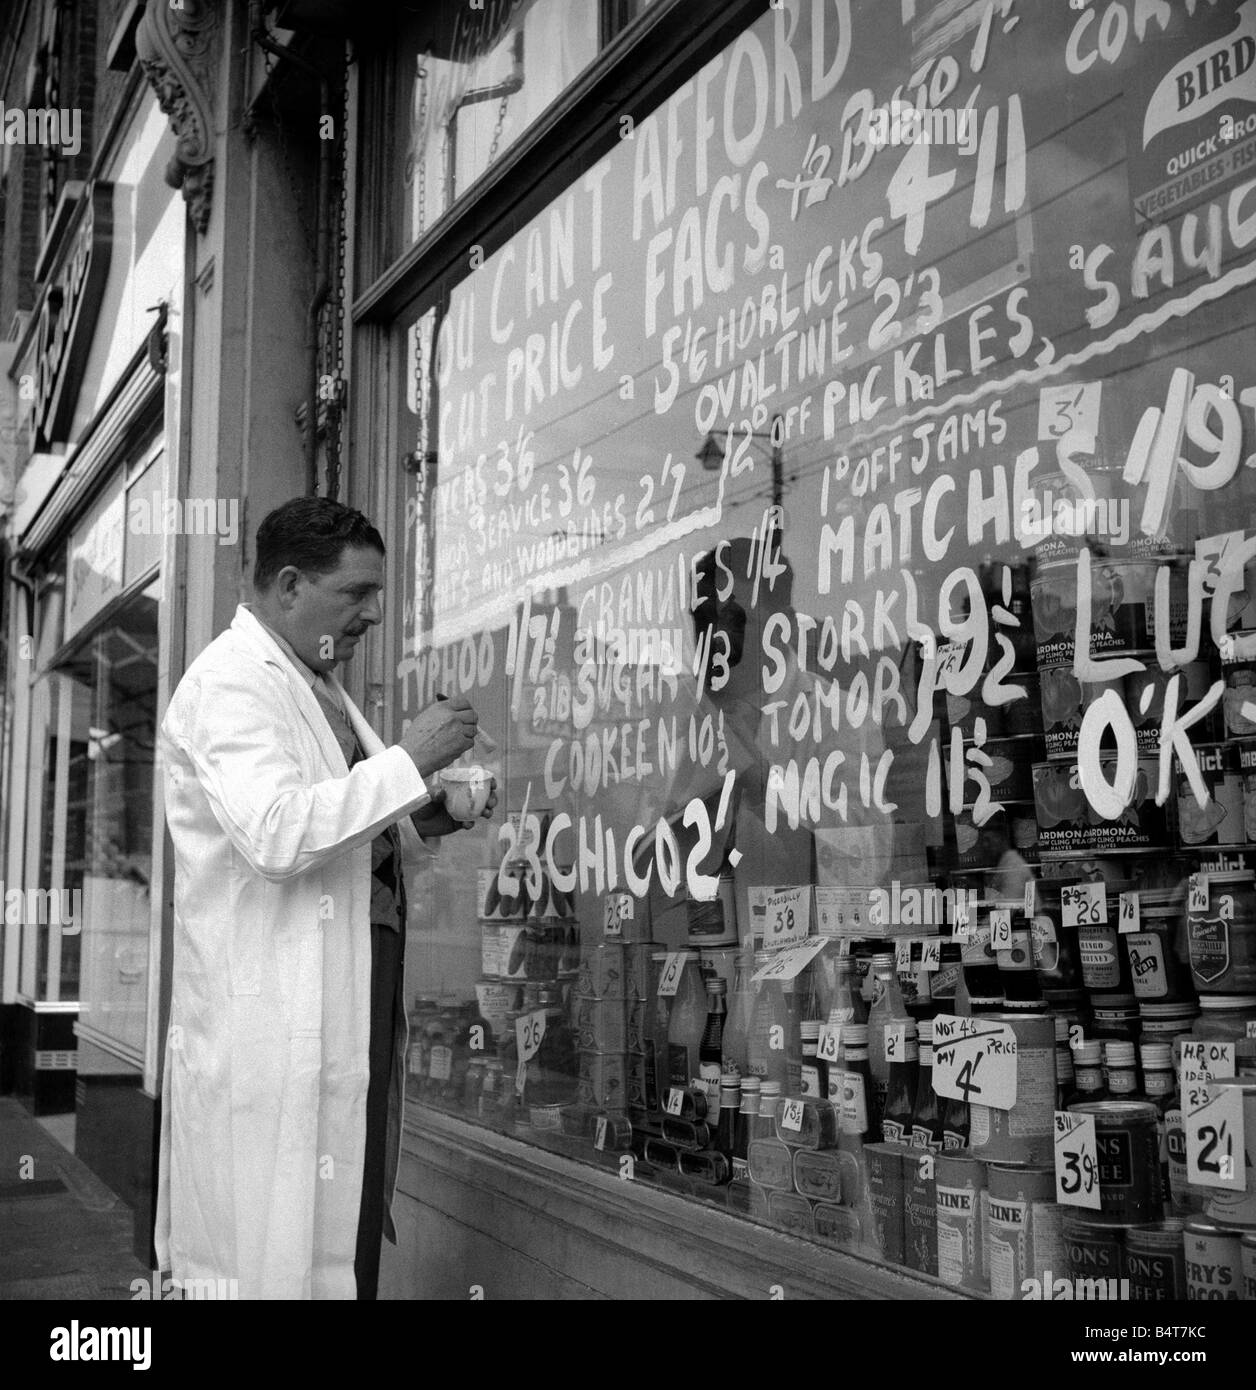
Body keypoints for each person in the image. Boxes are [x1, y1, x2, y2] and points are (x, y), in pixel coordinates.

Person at [154, 496, 491, 1300]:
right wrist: (410, 759)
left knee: (337, 1231)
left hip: (347, 1000)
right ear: (291, 585)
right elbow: (275, 832)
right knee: (272, 1252)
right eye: (358, 594)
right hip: (275, 1021)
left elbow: (341, 826)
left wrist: (428, 811)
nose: (375, 613)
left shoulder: (316, 685)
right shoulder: (232, 686)